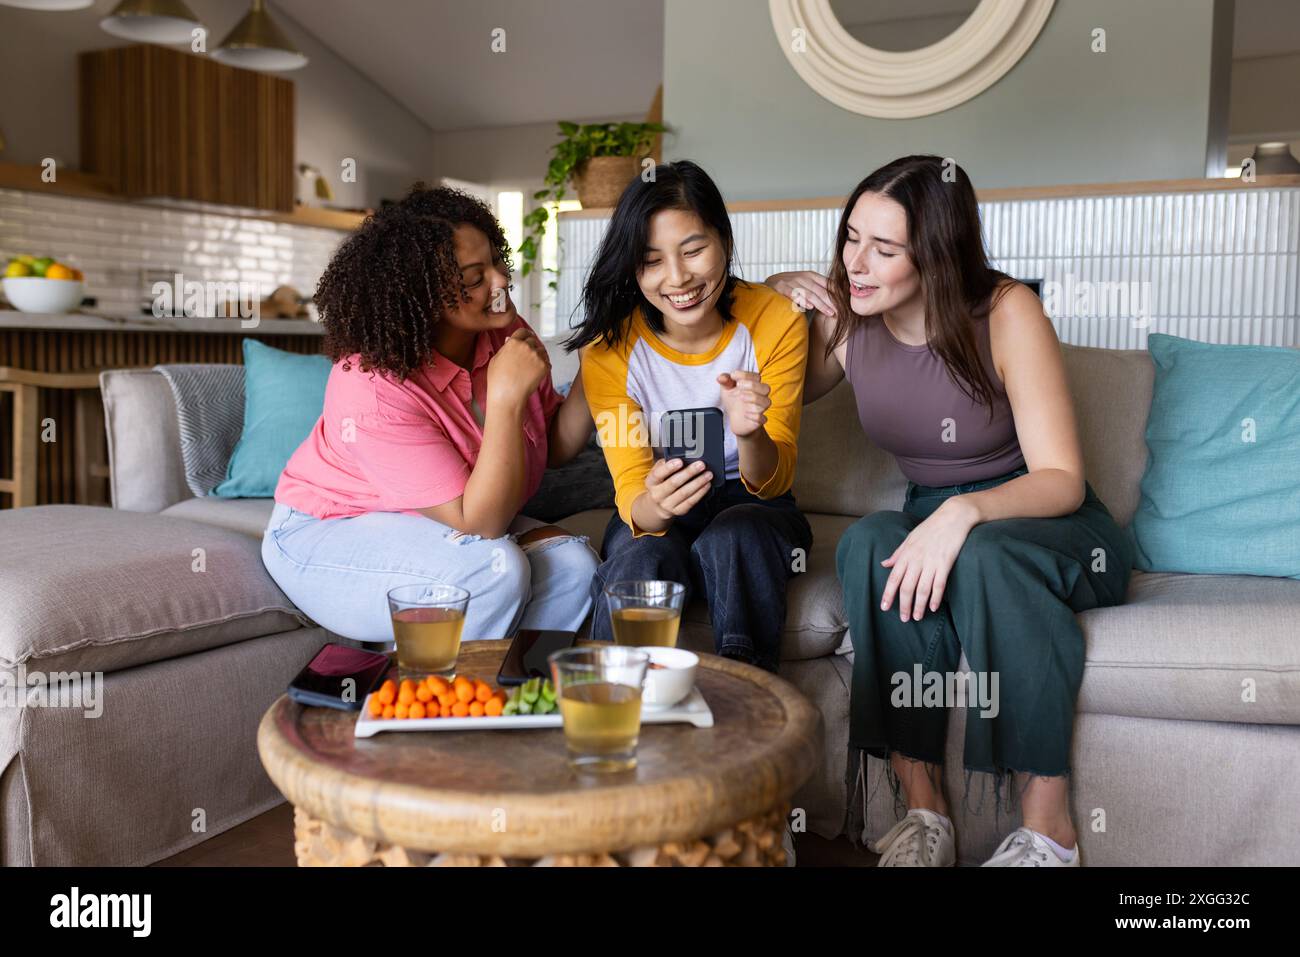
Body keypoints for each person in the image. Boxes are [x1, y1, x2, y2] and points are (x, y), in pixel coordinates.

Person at [766, 155, 1133, 866]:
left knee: (989, 555)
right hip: (937, 516)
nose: (856, 262)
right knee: (872, 542)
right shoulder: (852, 317)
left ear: (934, 252)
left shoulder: (1004, 311)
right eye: (850, 237)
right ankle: (923, 814)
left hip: (1046, 520)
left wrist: (963, 513)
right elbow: (779, 381)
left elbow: (1060, 476)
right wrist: (781, 291)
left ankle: (1048, 832)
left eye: (883, 247)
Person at [261, 184, 599, 643]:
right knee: (493, 570)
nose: (500, 283)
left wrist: (593, 365)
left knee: (575, 566)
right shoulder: (371, 383)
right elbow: (481, 524)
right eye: (473, 279)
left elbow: (555, 446)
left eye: (497, 262)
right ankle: (453, 704)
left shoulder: (504, 330)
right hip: (324, 531)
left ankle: (525, 691)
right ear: (418, 298)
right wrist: (503, 399)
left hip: (425, 520)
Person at [567, 160, 812, 673]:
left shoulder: (775, 319)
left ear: (723, 238)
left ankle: (746, 702)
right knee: (639, 558)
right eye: (651, 260)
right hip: (660, 502)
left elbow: (774, 479)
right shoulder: (609, 349)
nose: (677, 279)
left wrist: (750, 434)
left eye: (694, 250)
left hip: (753, 505)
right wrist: (655, 504)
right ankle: (610, 707)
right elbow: (633, 491)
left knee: (736, 533)